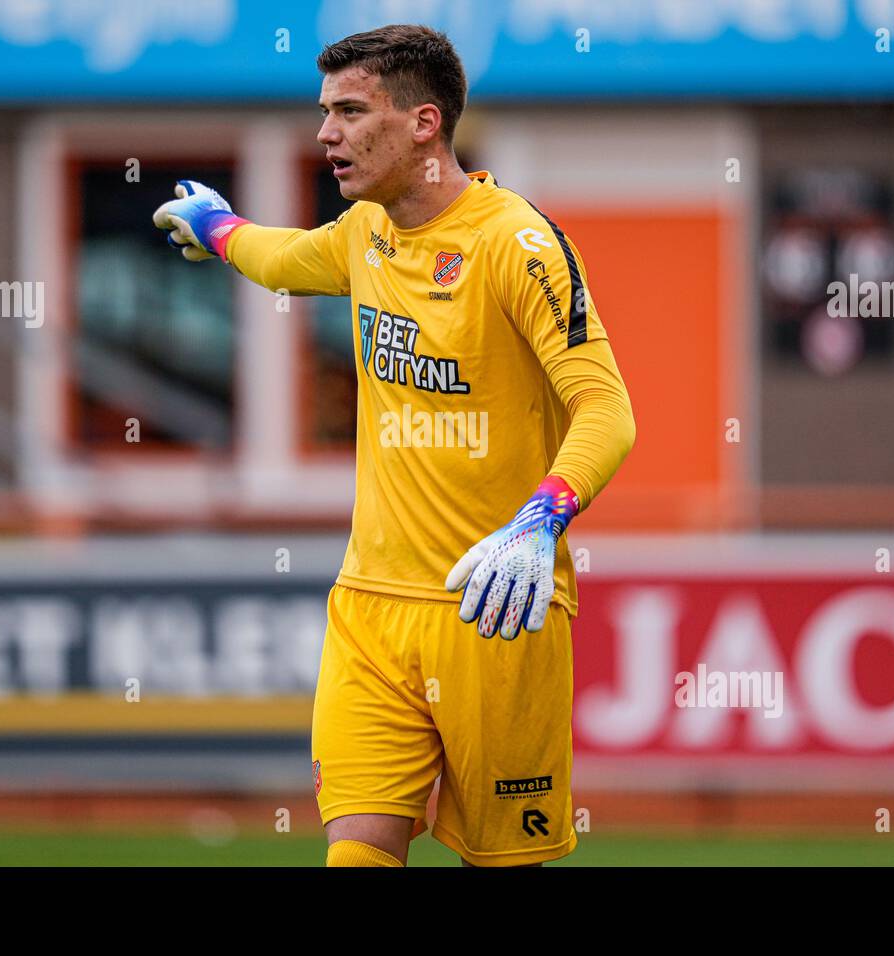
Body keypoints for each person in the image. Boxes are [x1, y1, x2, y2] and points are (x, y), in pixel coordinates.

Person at [153, 24, 635, 867]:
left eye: (348, 110)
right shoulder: (364, 232)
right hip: (370, 609)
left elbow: (606, 409)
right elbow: (286, 259)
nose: (325, 134)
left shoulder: (517, 245)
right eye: (324, 112)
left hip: (495, 609)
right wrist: (222, 228)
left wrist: (540, 522)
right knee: (357, 853)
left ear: (421, 124)